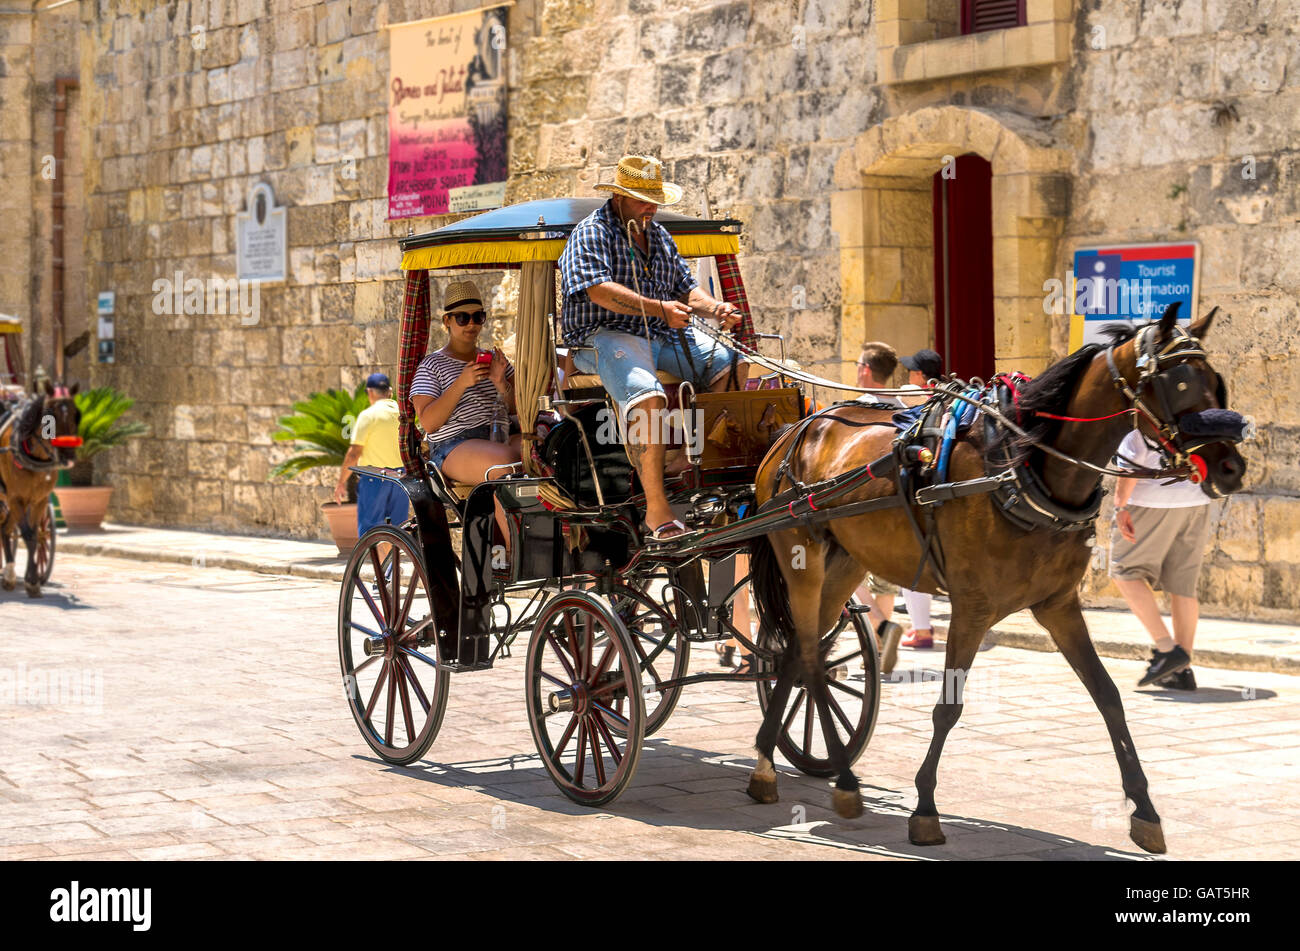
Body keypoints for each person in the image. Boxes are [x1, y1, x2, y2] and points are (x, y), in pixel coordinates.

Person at [558, 153, 749, 542]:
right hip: (603, 335)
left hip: (658, 335)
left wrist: (715, 308)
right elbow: (598, 291)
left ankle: (693, 461)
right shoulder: (592, 232)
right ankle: (656, 508)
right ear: (619, 197)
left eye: (654, 200)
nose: (651, 207)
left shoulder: (659, 235)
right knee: (649, 395)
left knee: (731, 363)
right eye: (642, 199)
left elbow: (685, 286)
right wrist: (659, 309)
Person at [410, 280, 522, 544]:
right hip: (454, 444)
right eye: (463, 318)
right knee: (507, 461)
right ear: (447, 321)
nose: (472, 324)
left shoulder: (496, 360)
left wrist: (500, 382)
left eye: (477, 317)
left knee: (545, 453)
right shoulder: (431, 366)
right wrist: (461, 383)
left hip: (499, 432)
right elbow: (428, 422)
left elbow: (519, 408)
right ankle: (512, 550)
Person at [1110, 428, 1215, 690]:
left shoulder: (1141, 420)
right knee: (1183, 585)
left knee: (1124, 572)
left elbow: (1129, 468)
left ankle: (1167, 650)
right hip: (1195, 500)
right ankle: (1182, 671)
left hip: (1149, 503)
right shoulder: (1188, 417)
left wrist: (1121, 507)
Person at [850, 341, 906, 673]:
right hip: (895, 502)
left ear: (866, 370)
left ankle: (880, 631)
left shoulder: (861, 407)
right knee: (884, 577)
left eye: (858, 364)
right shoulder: (900, 405)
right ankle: (877, 653)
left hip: (863, 502)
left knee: (846, 576)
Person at [897, 348, 944, 649]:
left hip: (916, 488)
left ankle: (921, 629)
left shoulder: (913, 394)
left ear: (920, 376)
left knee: (910, 561)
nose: (907, 375)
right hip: (936, 487)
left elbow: (903, 396)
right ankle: (921, 627)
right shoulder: (947, 399)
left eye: (911, 370)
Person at [335, 372, 408, 536]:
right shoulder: (403, 414)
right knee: (398, 532)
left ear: (370, 392)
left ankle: (381, 563)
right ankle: (390, 563)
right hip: (401, 478)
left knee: (371, 532)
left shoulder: (368, 416)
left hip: (374, 478)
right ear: (390, 392)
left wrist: (341, 482)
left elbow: (354, 453)